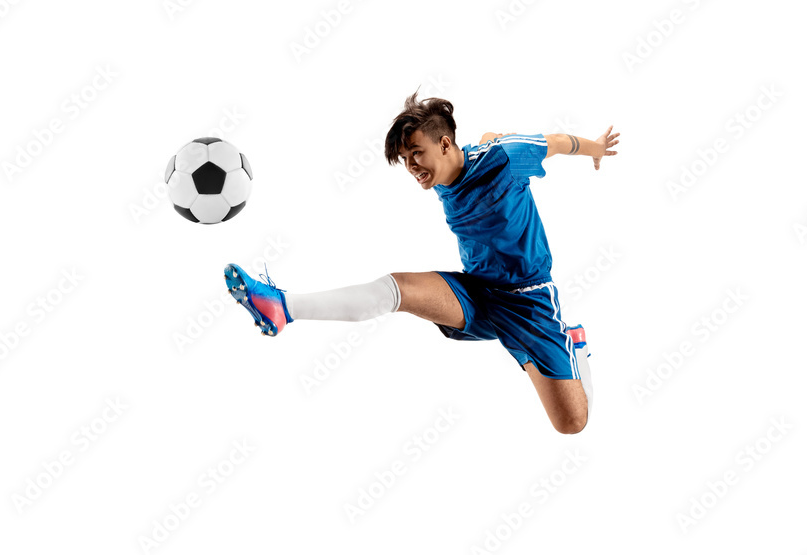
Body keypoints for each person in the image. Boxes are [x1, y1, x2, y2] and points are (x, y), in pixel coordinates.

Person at [224, 92, 619, 434]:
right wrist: (488, 135)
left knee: (572, 423)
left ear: (445, 144)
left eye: (416, 153)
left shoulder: (505, 156)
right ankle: (283, 306)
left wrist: (596, 148)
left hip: (528, 299)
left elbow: (557, 142)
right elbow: (483, 138)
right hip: (478, 293)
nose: (412, 166)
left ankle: (574, 344)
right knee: (400, 289)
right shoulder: (444, 172)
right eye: (405, 159)